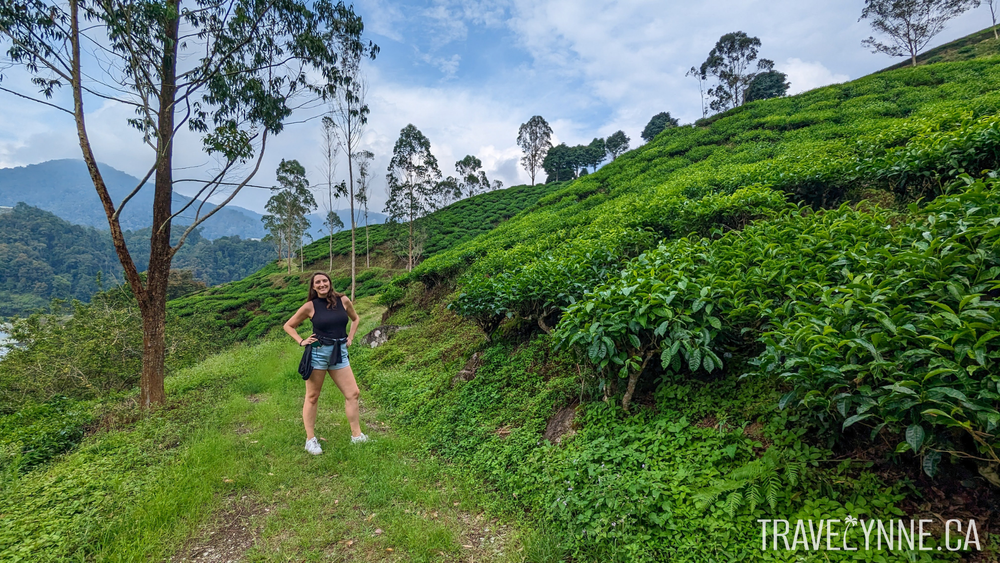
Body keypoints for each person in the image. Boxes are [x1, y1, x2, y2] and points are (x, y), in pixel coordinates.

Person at [283, 272, 368, 455]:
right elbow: (288, 325)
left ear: (330, 282)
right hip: (318, 353)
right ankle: (310, 440)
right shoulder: (310, 306)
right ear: (313, 287)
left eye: (324, 281)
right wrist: (301, 341)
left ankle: (357, 436)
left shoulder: (343, 300)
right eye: (318, 282)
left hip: (339, 352)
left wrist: (350, 337)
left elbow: (355, 318)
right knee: (312, 396)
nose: (322, 284)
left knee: (353, 393)